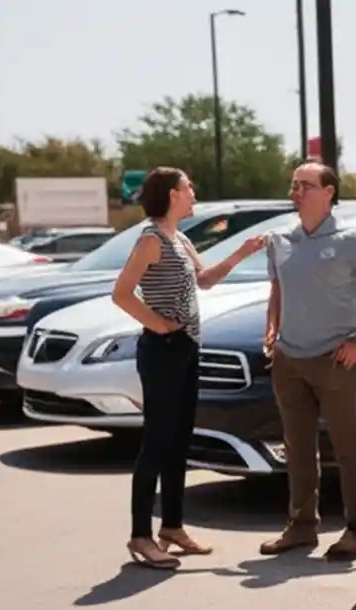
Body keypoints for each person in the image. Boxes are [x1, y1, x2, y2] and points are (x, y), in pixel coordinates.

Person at [112, 167, 268, 569]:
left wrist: (241, 252)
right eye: (188, 187)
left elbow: (205, 280)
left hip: (186, 348)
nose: (193, 192)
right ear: (170, 194)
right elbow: (121, 294)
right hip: (162, 350)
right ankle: (140, 536)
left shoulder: (178, 237)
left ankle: (173, 527)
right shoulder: (149, 239)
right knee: (157, 442)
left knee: (180, 440)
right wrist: (161, 325)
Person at [259, 161, 356, 560]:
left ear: (329, 193)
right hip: (289, 360)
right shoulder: (281, 240)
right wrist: (271, 332)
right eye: (293, 185)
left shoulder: (351, 240)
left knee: (345, 447)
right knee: (298, 446)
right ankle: (302, 527)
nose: (297, 193)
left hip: (335, 359)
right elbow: (278, 290)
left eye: (305, 185)